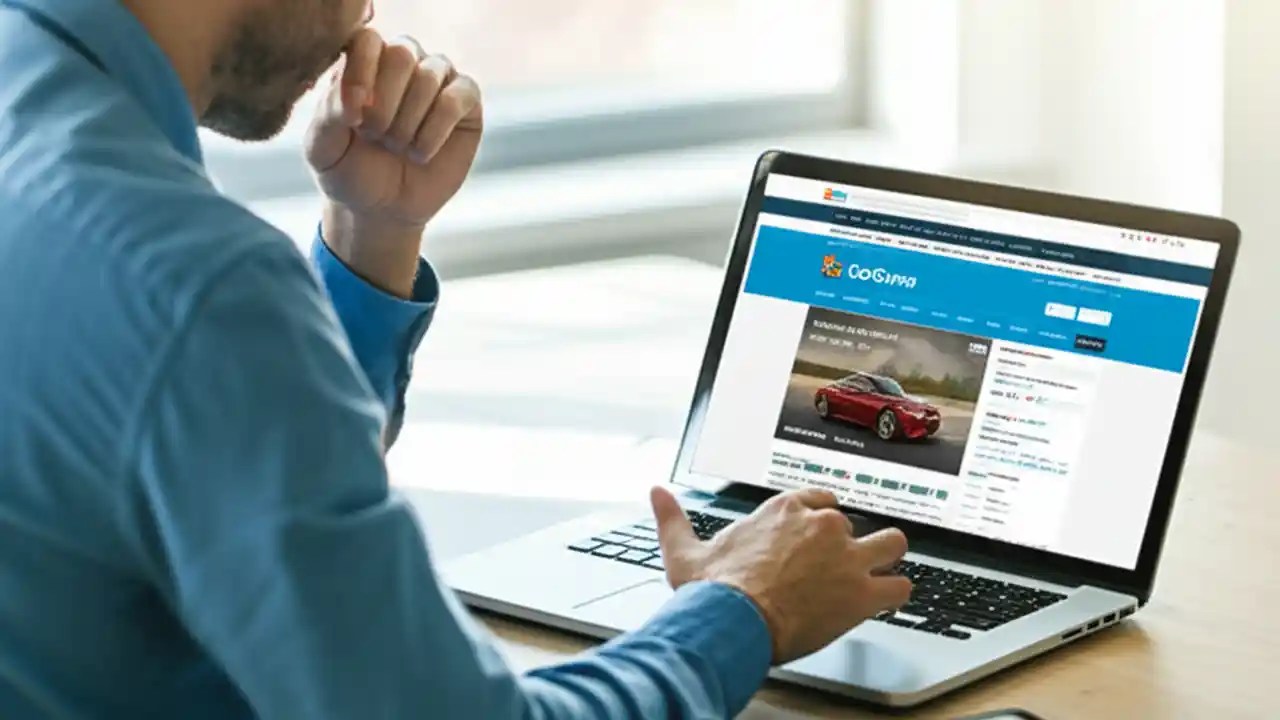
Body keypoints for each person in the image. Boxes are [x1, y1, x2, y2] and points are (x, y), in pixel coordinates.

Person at [0, 0, 913, 717]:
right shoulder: (197, 283)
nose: (368, 12)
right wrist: (745, 607)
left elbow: (213, 472)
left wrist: (372, 231)